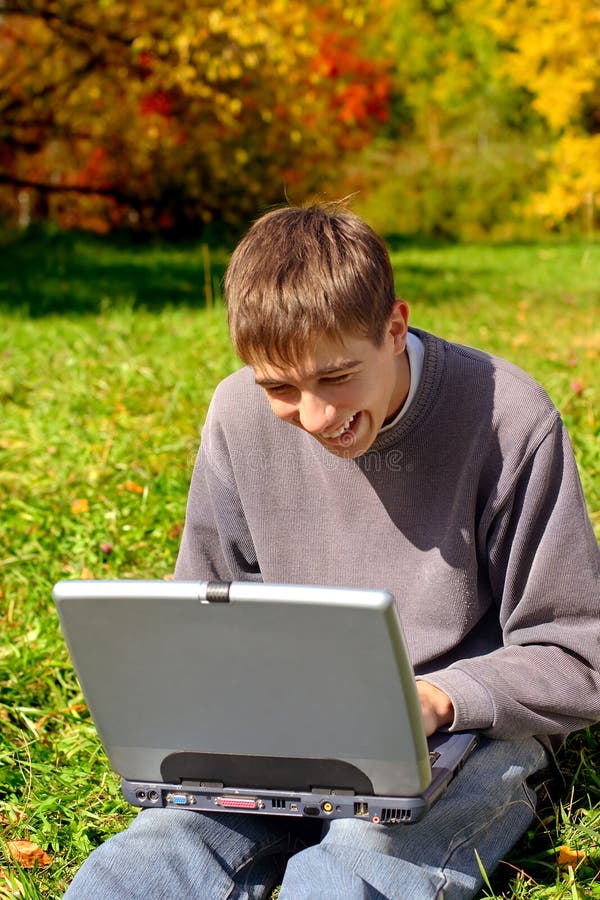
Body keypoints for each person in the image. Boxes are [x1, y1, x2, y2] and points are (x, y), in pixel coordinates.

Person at [64, 203, 600, 899]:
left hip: (465, 727)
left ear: (394, 327)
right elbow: (205, 609)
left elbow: (579, 652)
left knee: (361, 857)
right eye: (280, 388)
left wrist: (441, 697)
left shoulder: (509, 421)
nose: (315, 417)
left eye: (337, 377)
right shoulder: (236, 415)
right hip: (288, 719)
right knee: (156, 851)